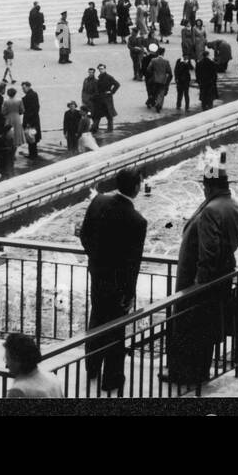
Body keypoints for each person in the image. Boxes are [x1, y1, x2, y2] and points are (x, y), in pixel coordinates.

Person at [166, 149, 238, 387]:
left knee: (188, 329)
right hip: (219, 281)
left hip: (197, 285)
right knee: (206, 333)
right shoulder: (234, 207)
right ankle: (198, 372)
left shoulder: (211, 210)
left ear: (207, 185)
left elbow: (208, 254)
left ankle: (183, 375)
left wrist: (197, 286)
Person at [78, 167, 148, 393]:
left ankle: (92, 367)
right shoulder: (137, 220)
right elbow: (132, 263)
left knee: (97, 318)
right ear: (136, 187)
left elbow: (84, 235)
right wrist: (129, 293)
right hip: (118, 285)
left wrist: (95, 259)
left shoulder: (98, 201)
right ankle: (112, 378)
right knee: (116, 331)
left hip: (98, 275)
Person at [3, 333, 64, 399]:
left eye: (7, 358)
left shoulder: (18, 390)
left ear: (17, 360)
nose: (6, 364)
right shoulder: (52, 378)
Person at [91, 63, 119, 134]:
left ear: (105, 69)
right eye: (99, 69)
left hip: (107, 99)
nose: (101, 70)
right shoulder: (100, 77)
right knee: (97, 114)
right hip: (100, 98)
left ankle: (110, 129)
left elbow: (117, 84)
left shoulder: (109, 77)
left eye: (102, 69)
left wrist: (111, 92)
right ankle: (94, 128)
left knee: (109, 115)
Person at [20, 81, 42, 159]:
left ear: (28, 87)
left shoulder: (29, 96)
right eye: (22, 88)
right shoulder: (33, 94)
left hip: (31, 120)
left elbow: (32, 110)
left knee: (31, 137)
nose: (23, 90)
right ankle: (33, 154)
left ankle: (32, 154)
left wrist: (28, 122)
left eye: (24, 88)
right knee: (32, 137)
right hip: (34, 120)